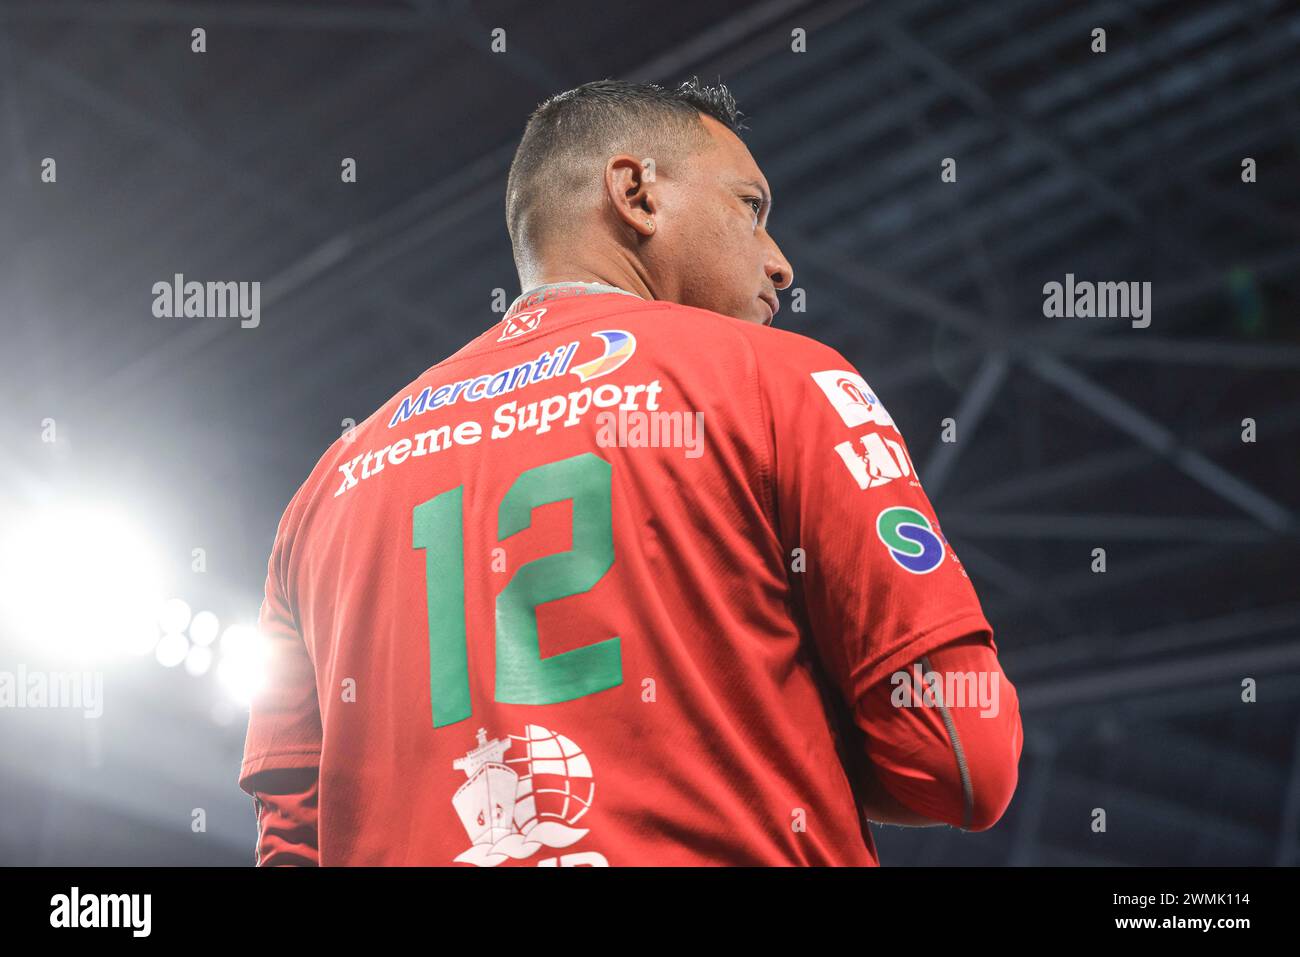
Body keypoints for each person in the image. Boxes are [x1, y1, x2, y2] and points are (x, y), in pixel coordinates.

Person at [239, 77, 1023, 866]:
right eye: (752, 208)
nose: (781, 264)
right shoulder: (780, 380)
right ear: (636, 193)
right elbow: (961, 754)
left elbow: (293, 842)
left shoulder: (329, 486)